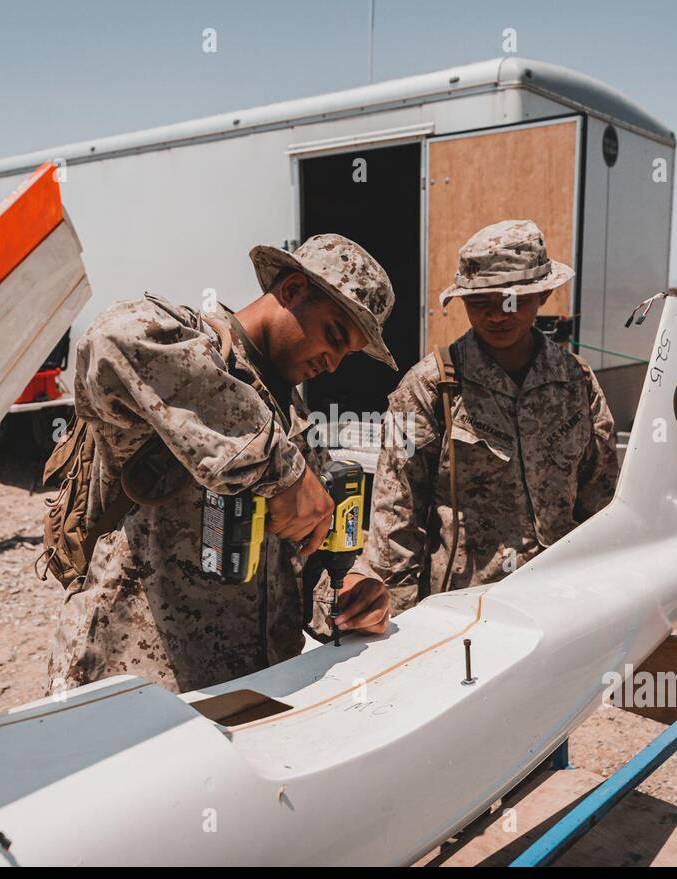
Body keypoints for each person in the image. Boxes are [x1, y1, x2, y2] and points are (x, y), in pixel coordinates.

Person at [46, 235, 397, 694]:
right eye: (333, 335)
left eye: (346, 353)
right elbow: (112, 337)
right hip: (140, 687)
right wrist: (281, 469)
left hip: (252, 689)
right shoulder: (198, 351)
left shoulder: (296, 421)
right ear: (292, 290)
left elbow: (301, 562)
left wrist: (350, 589)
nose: (332, 364)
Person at [358, 219, 621, 614]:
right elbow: (396, 514)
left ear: (543, 294)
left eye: (512, 300)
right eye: (481, 303)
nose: (497, 316)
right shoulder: (430, 388)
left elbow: (601, 495)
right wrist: (397, 618)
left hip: (563, 601)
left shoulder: (575, 381)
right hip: (466, 611)